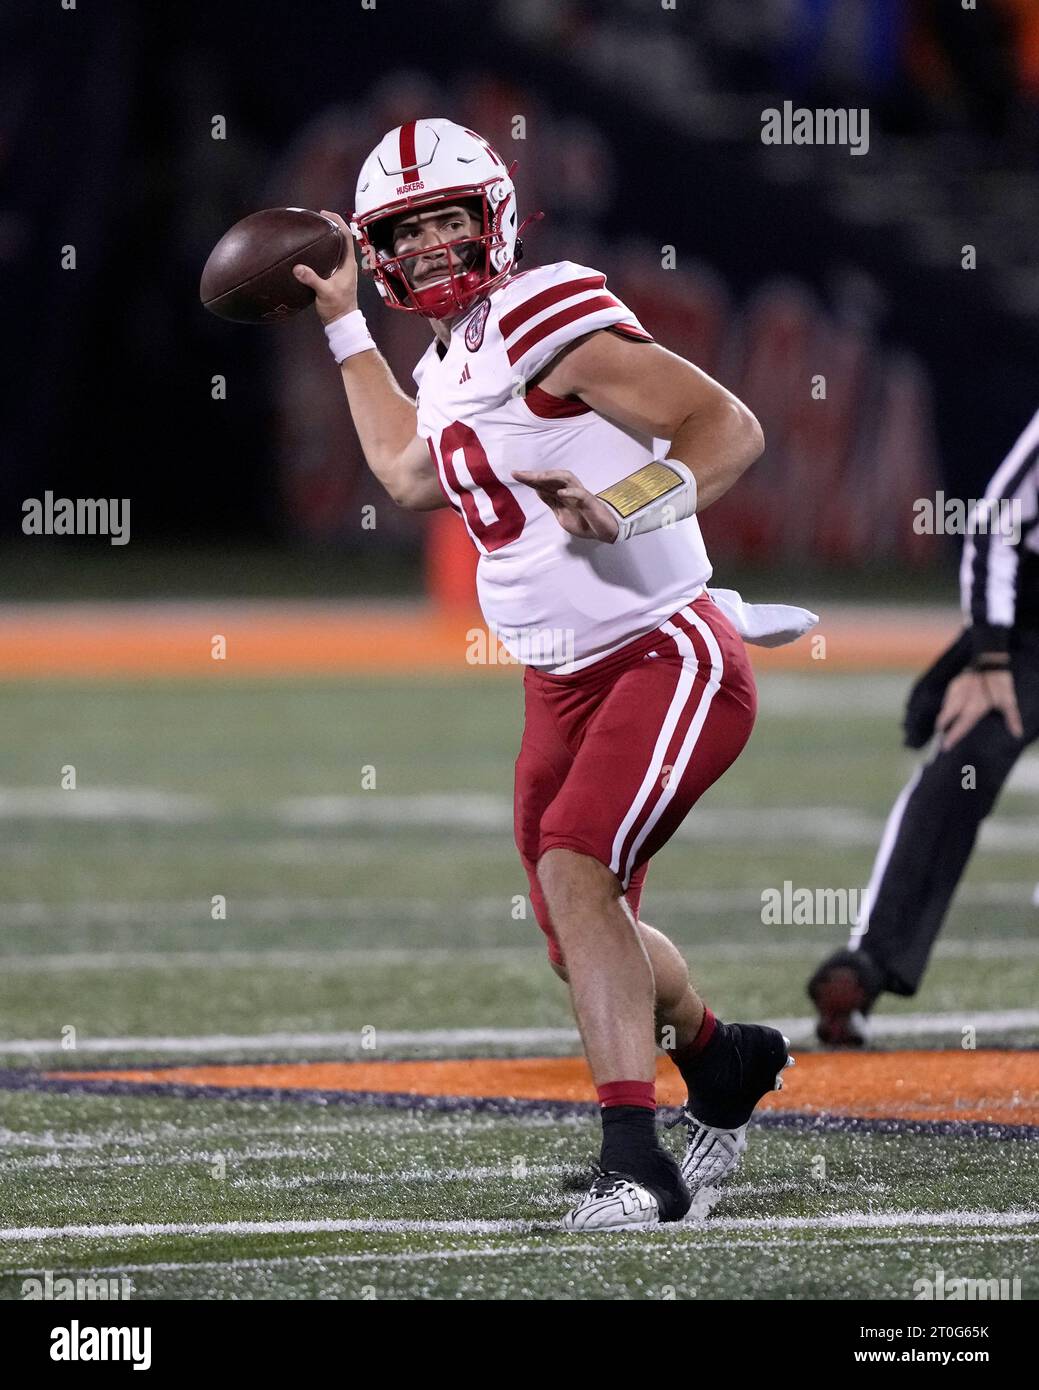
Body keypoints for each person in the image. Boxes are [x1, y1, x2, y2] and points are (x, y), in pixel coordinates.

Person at [294, 118, 813, 1229]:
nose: (432, 248)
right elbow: (401, 468)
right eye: (408, 231)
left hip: (663, 652)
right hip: (557, 685)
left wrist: (628, 505)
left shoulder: (539, 309)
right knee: (577, 932)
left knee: (578, 868)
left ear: (493, 220)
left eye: (447, 222)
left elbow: (727, 427)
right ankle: (720, 1059)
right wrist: (341, 323)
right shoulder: (449, 360)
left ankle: (638, 1164)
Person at [809, 408, 1039, 1046]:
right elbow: (998, 524)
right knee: (961, 770)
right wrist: (988, 654)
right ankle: (869, 965)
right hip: (1029, 632)